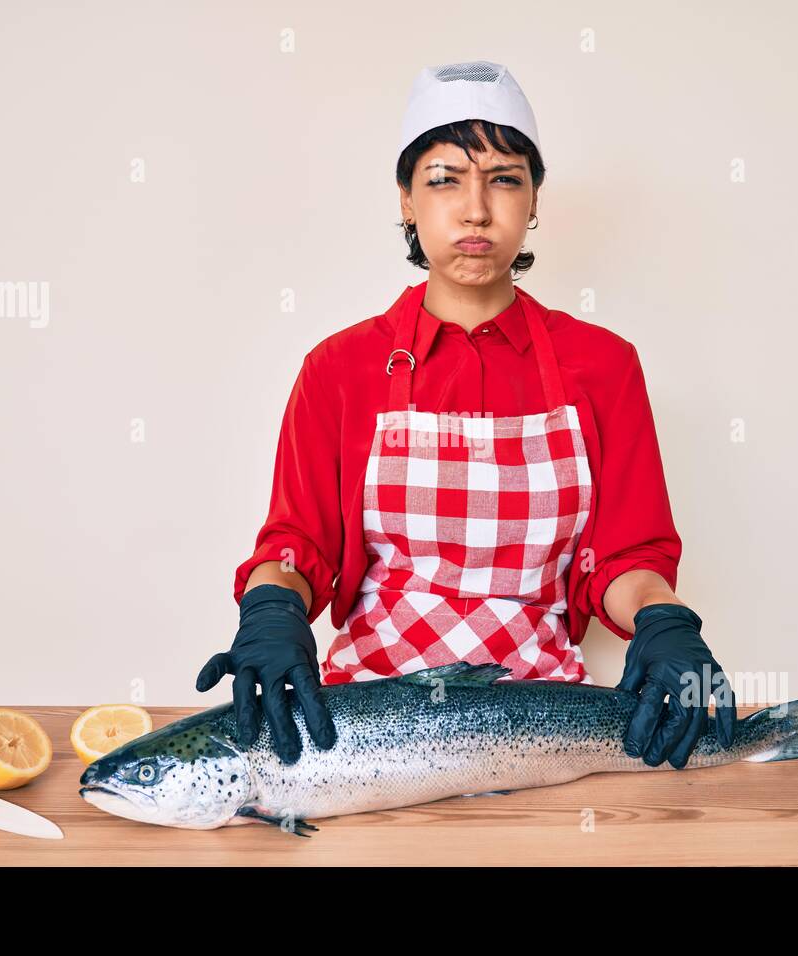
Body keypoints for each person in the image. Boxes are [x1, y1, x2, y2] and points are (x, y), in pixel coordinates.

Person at [197, 59, 736, 768]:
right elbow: (300, 548)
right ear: (407, 201)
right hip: (367, 721)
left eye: (504, 178)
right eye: (445, 179)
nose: (475, 209)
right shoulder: (338, 370)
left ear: (534, 198)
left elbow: (627, 559)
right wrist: (272, 611)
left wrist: (665, 622)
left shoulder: (603, 366)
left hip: (544, 719)